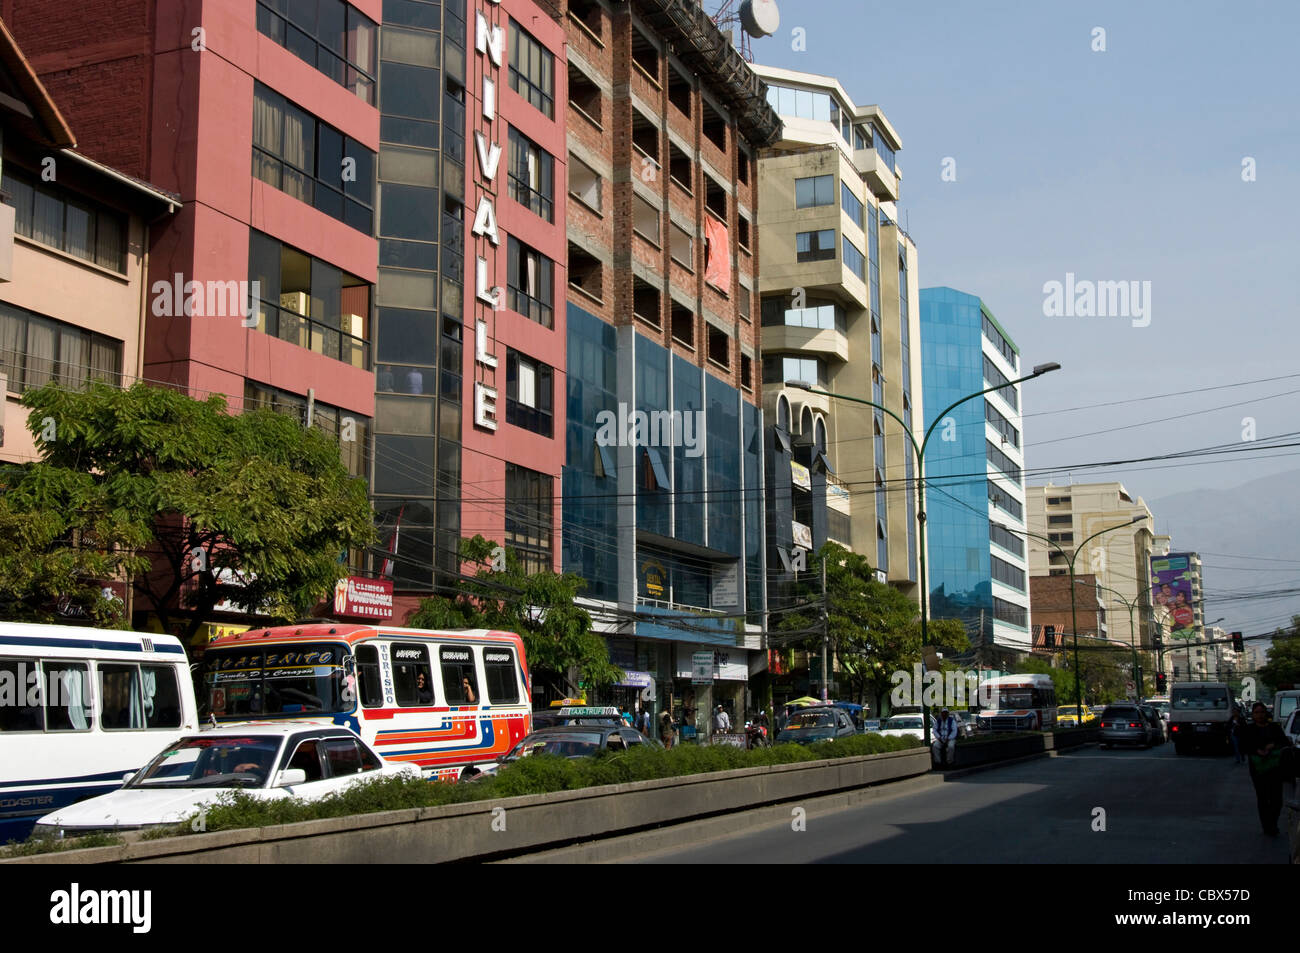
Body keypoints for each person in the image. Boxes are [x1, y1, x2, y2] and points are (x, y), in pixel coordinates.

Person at [1240, 701, 1293, 835]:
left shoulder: (1274, 728)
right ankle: (1267, 826)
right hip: (1258, 769)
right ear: (1253, 714)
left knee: (1276, 799)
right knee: (1263, 798)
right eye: (1256, 712)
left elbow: (1285, 743)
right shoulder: (1249, 729)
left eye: (1262, 712)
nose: (1259, 715)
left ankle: (1273, 823)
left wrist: (1272, 746)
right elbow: (1244, 745)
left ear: (1266, 713)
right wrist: (1257, 751)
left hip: (1275, 768)